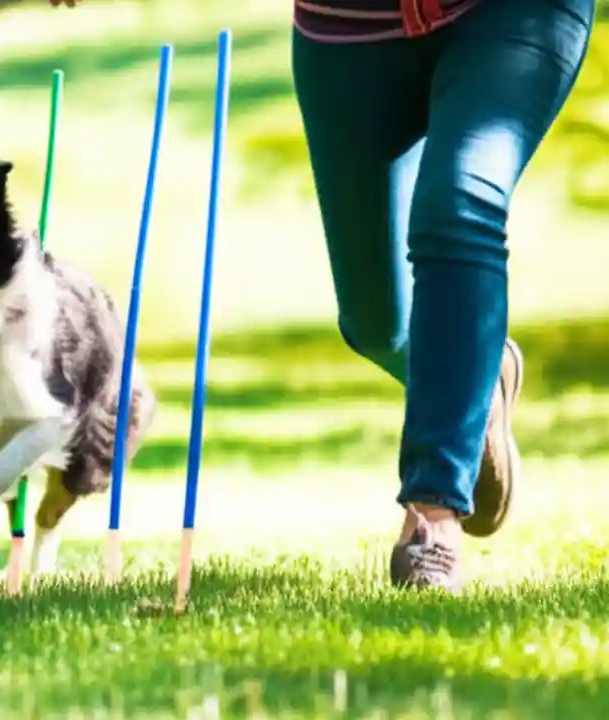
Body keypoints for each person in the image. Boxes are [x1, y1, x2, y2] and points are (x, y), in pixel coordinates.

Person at [52, 0, 596, 591]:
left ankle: (433, 516)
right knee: (375, 321)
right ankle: (474, 387)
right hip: (350, 32)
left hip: (508, 16)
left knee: (461, 203)